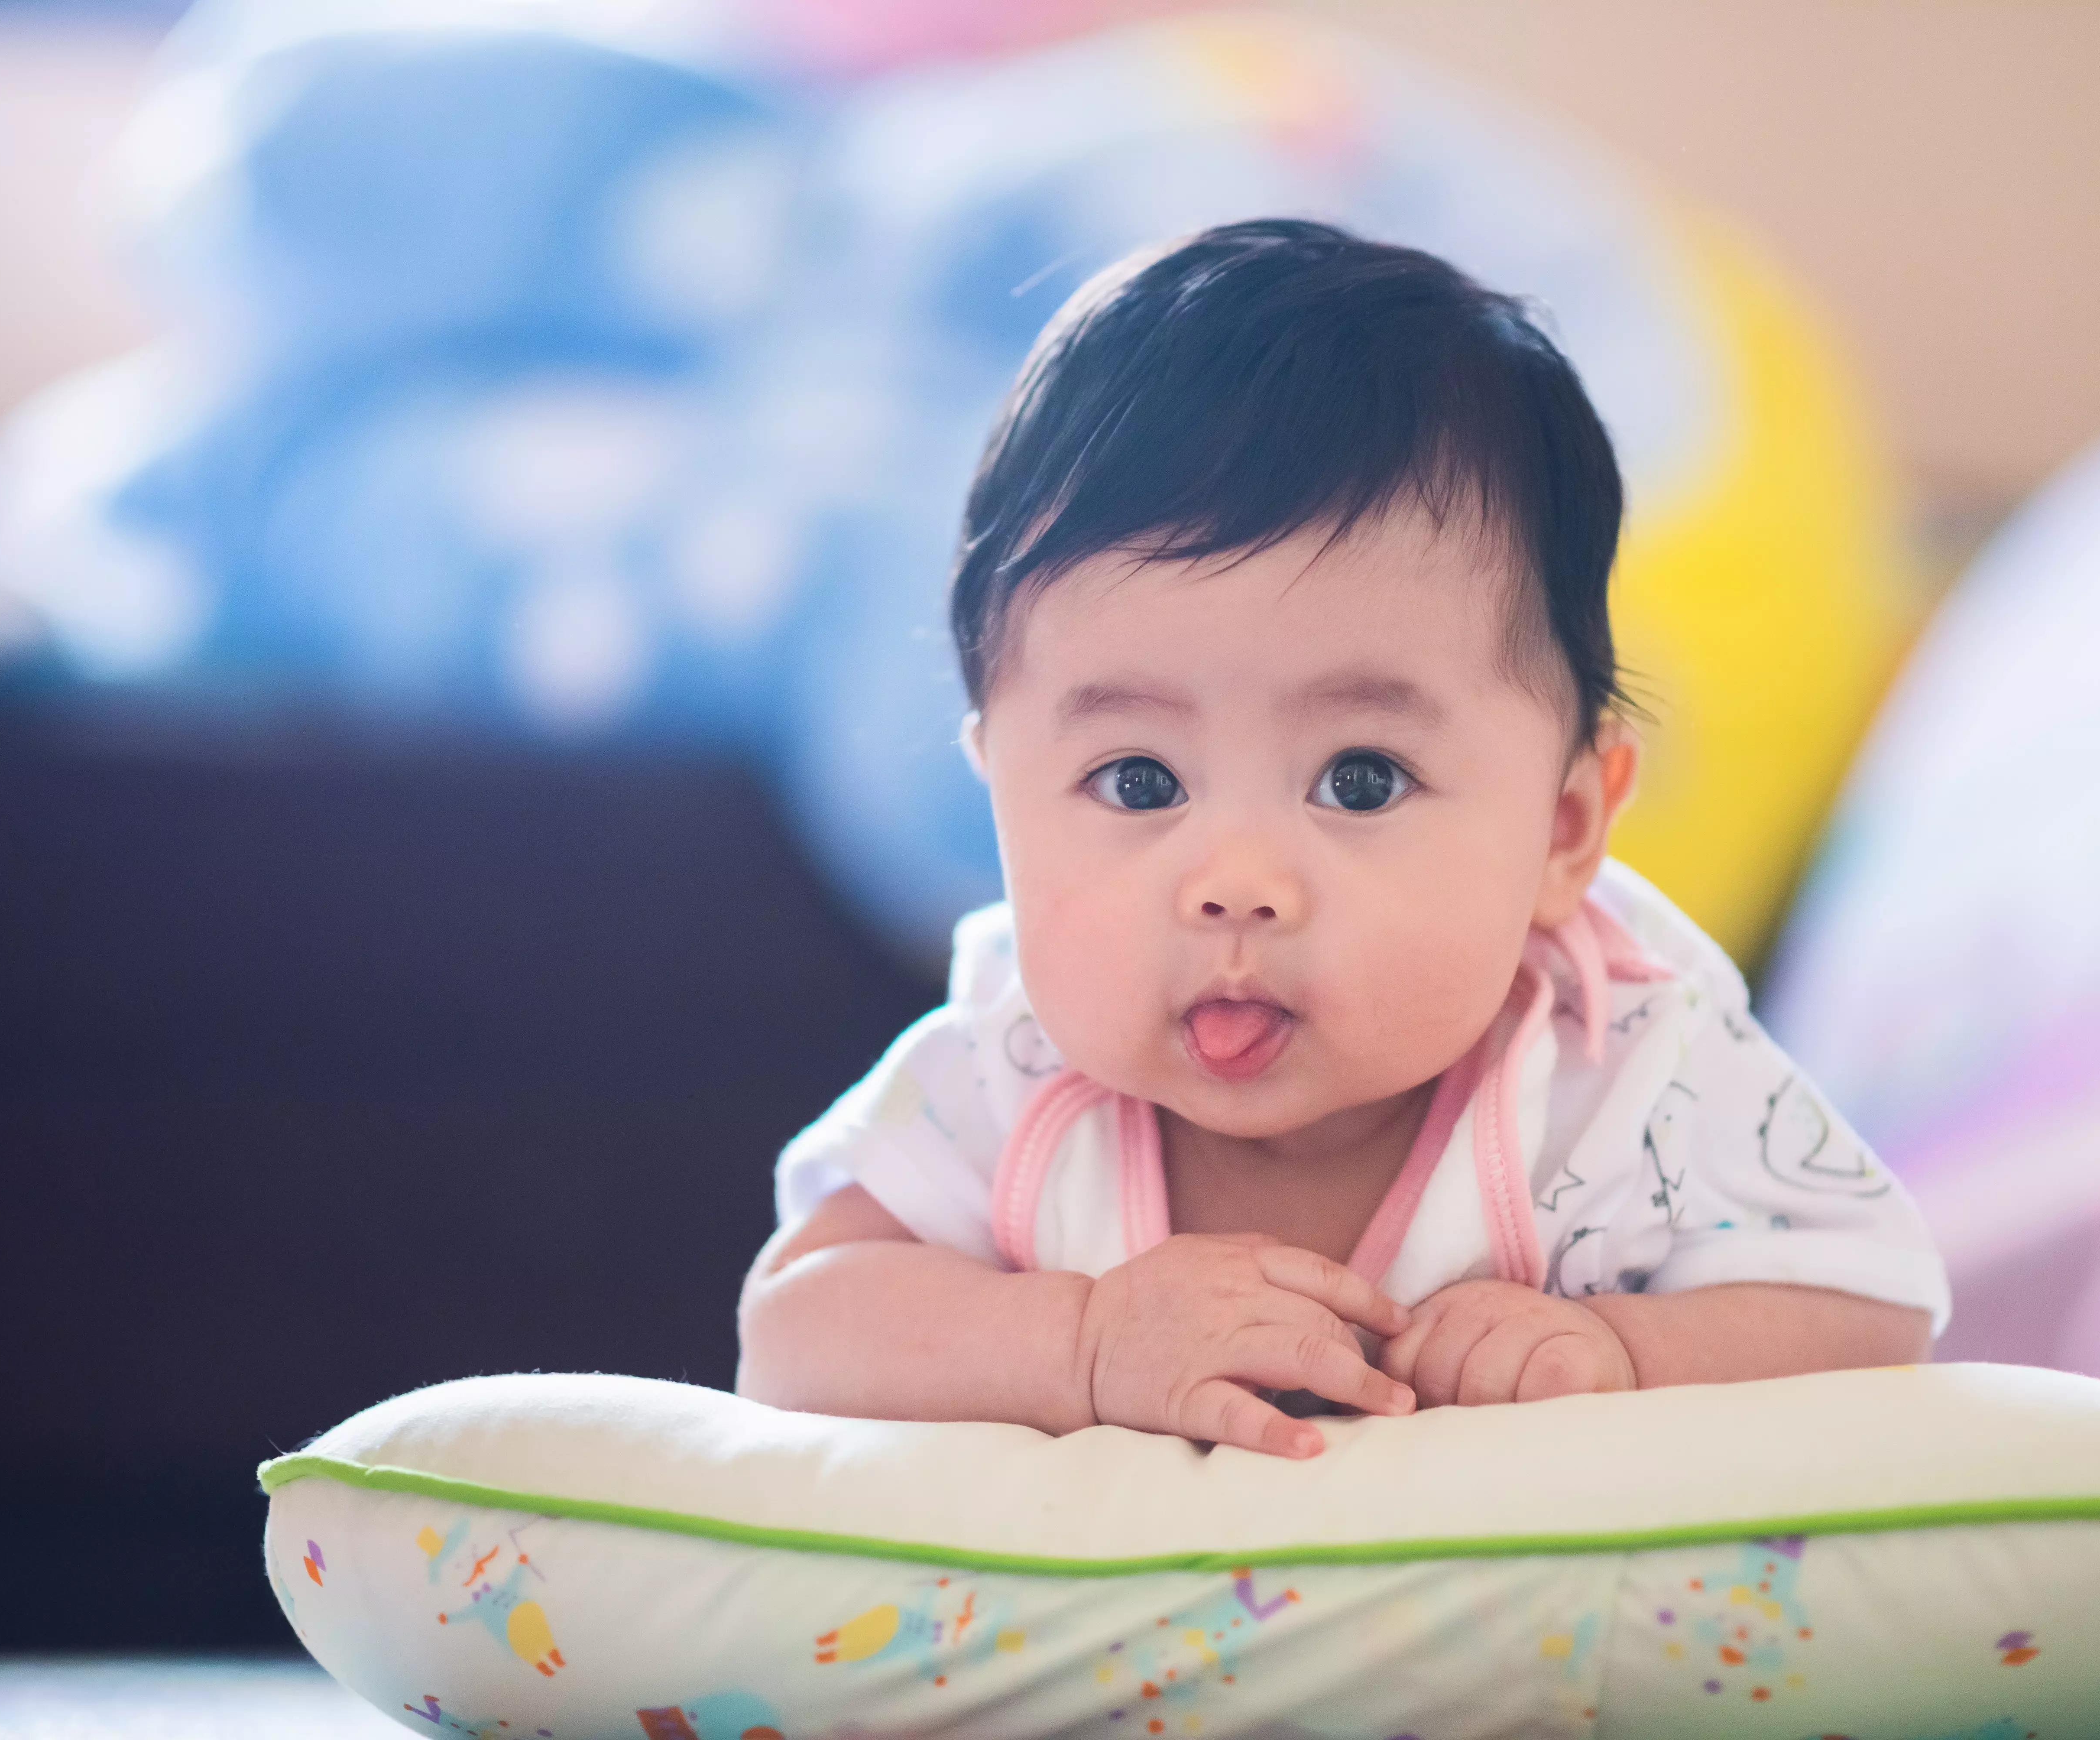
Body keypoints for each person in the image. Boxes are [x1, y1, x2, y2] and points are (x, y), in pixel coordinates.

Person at [736, 219, 1946, 1459]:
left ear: (1564, 830)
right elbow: (794, 1330)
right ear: (1000, 793)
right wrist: (1081, 1343)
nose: (1239, 886)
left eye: (1361, 780)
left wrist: (1627, 1354)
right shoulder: (1010, 1076)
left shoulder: (1626, 1075)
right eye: (1140, 780)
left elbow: (1874, 1308)